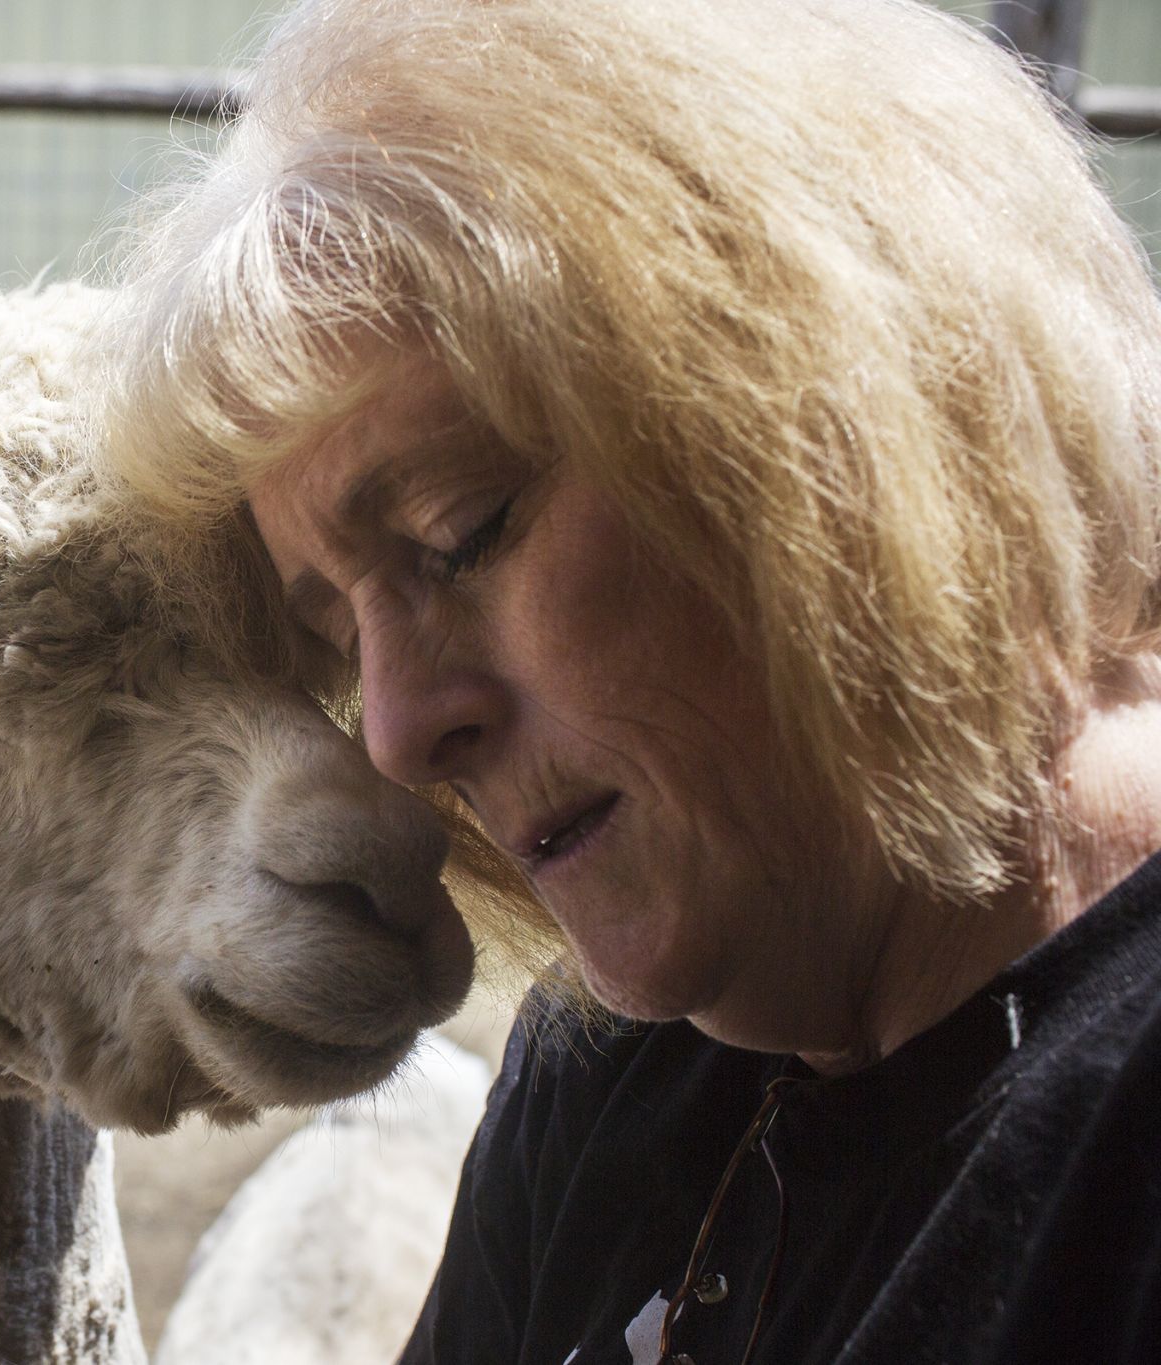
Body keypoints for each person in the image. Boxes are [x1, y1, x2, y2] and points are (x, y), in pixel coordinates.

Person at [100, 0, 1161, 1360]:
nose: (395, 731)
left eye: (458, 530)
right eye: (335, 634)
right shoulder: (614, 1063)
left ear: (838, 401)